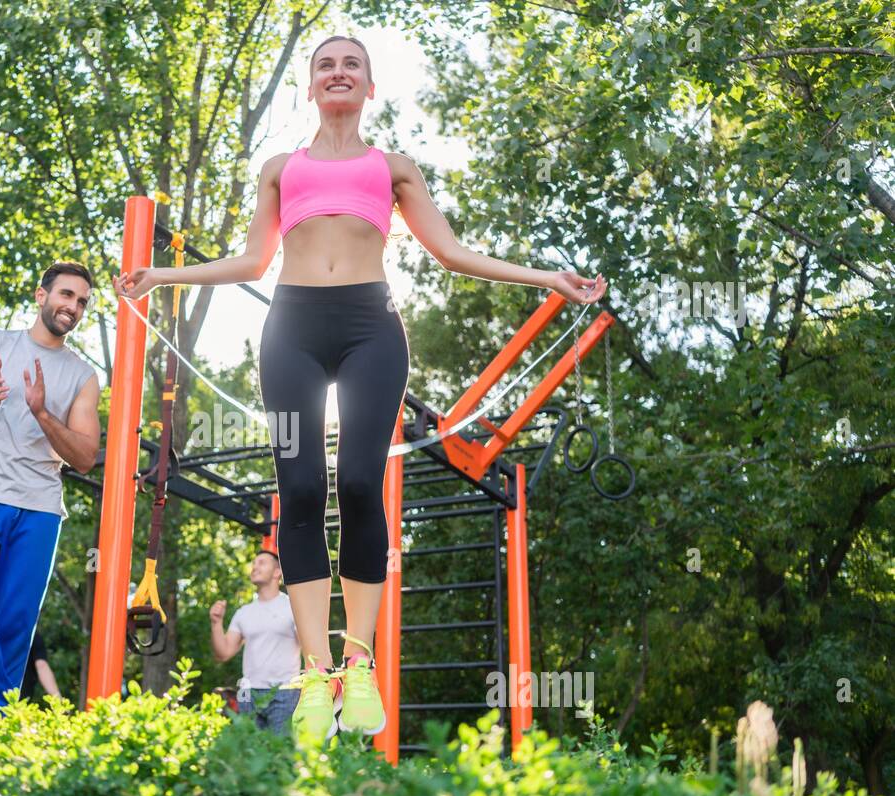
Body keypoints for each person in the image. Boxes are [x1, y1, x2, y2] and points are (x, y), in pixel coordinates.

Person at [116, 36, 607, 745]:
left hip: (371, 325)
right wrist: (162, 276)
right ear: (311, 87)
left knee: (357, 480)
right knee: (301, 487)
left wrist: (548, 280)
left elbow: (453, 253)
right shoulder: (281, 169)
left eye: (351, 65)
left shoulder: (394, 167)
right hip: (293, 327)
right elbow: (254, 257)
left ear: (370, 87)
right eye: (325, 65)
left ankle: (358, 660)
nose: (338, 72)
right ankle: (316, 673)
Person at [0, 262, 100, 726]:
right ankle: (4, 718)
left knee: (13, 626)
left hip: (39, 509)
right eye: (66, 295)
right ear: (41, 295)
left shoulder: (83, 376)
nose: (73, 307)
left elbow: (86, 457)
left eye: (82, 301)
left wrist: (44, 413)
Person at [209, 550, 301, 735]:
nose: (255, 567)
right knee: (250, 752)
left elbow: (309, 647)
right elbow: (223, 653)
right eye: (254, 563)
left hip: (285, 691)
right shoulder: (244, 612)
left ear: (277, 572)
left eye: (262, 563)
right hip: (247, 693)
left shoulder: (294, 606)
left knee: (280, 752)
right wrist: (216, 623)